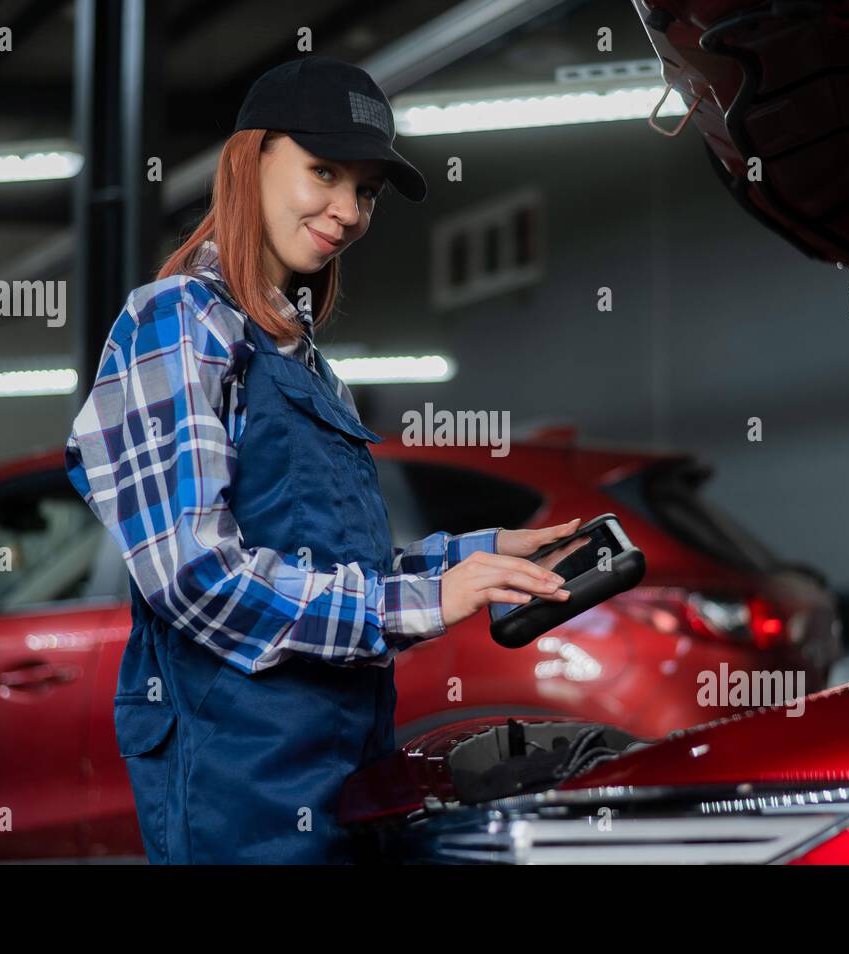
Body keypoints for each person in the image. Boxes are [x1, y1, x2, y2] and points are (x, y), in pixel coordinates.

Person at [65, 54, 579, 864]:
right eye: (324, 171)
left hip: (347, 762)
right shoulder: (175, 321)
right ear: (251, 160)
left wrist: (475, 559)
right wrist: (416, 605)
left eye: (366, 190)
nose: (347, 210)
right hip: (241, 779)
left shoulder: (304, 358)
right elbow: (197, 575)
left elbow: (334, 562)